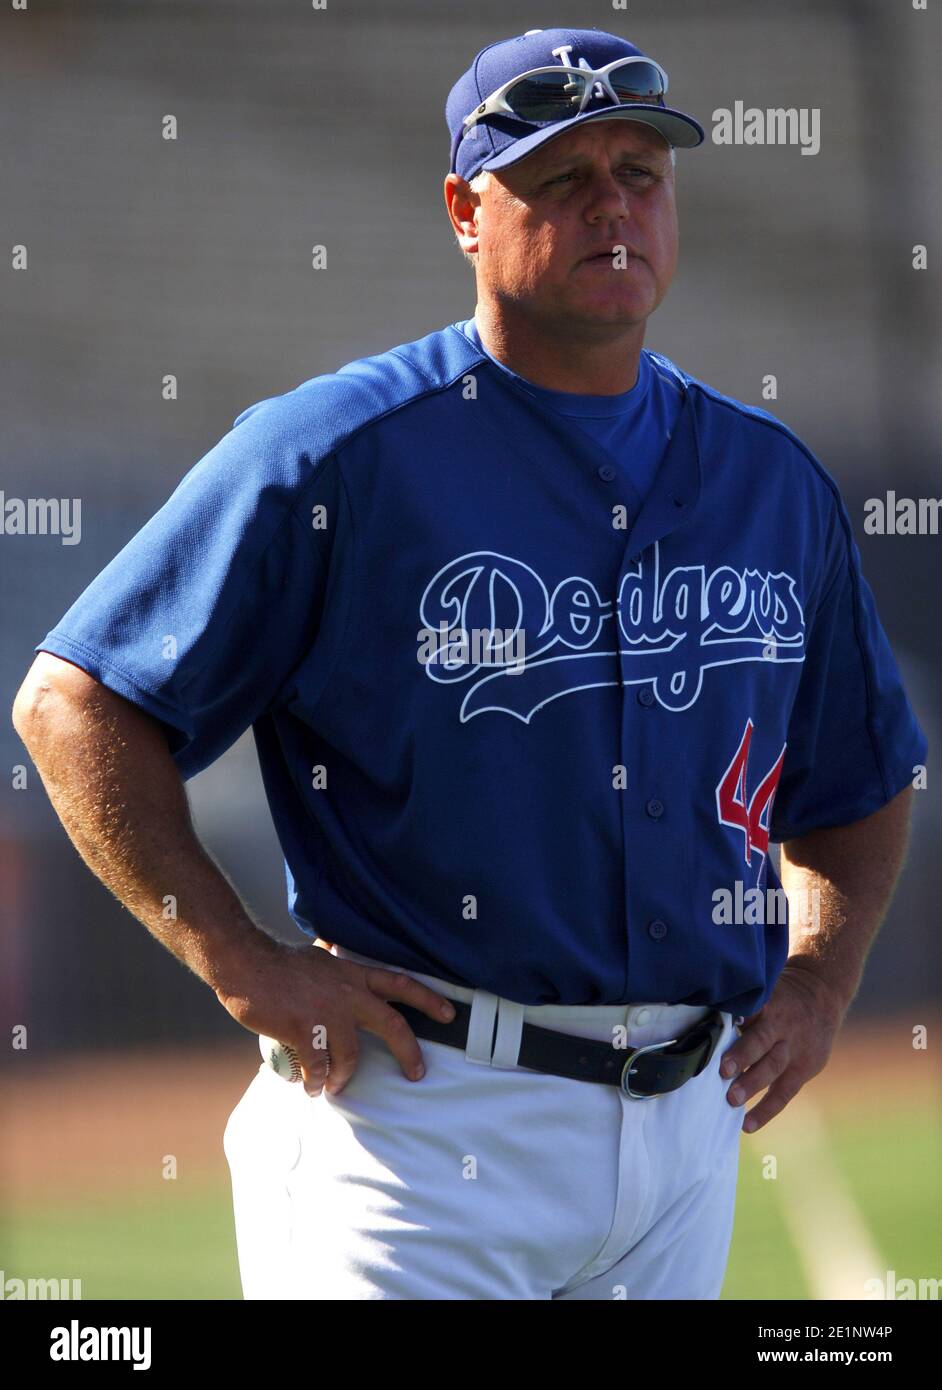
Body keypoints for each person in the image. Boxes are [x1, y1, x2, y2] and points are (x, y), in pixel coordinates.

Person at [12, 27, 927, 1300]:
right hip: (420, 1131)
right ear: (465, 211)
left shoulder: (770, 480)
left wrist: (823, 979)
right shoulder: (337, 454)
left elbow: (865, 770)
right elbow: (74, 703)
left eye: (640, 172)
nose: (613, 205)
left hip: (685, 1136)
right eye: (562, 178)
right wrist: (239, 959)